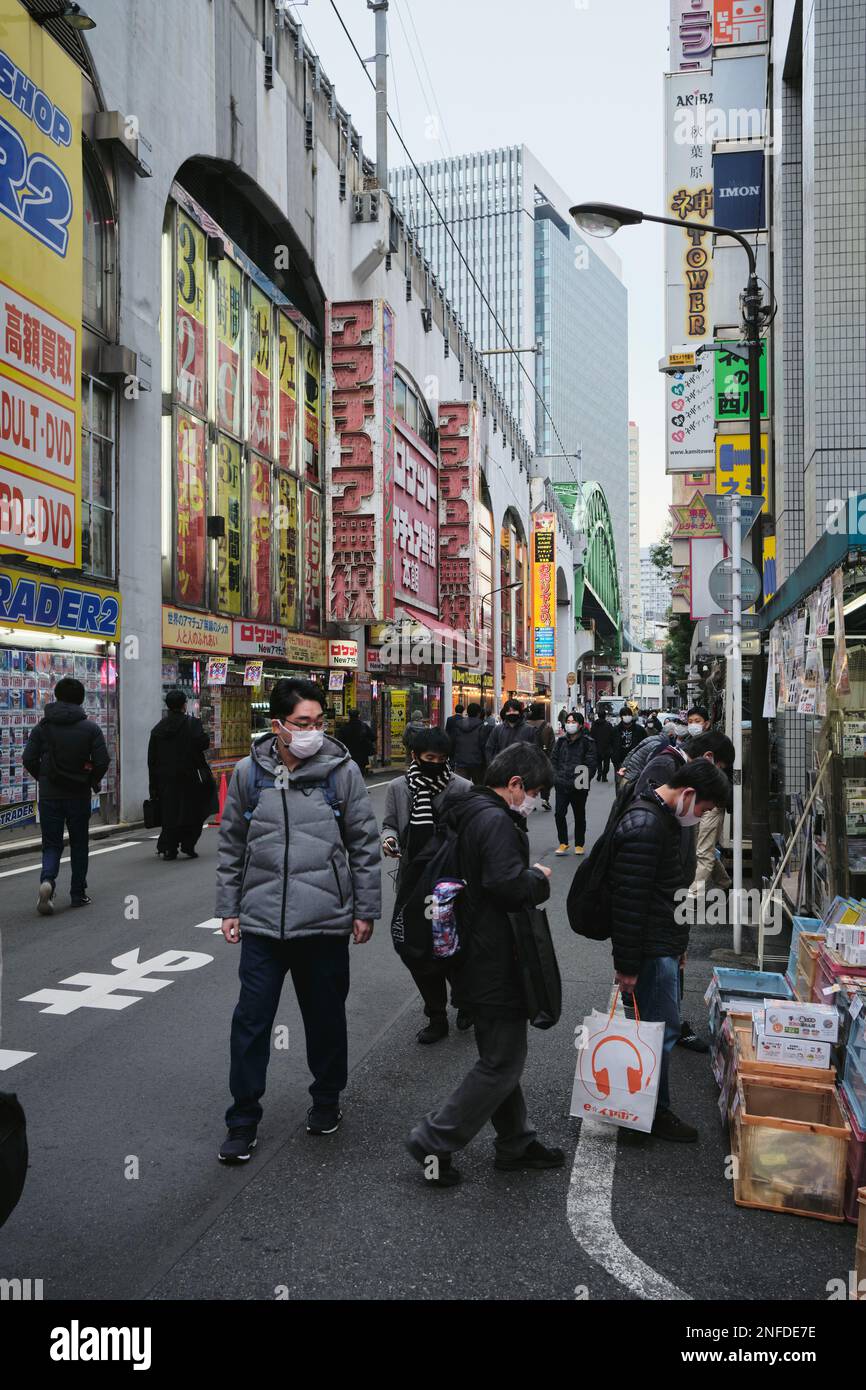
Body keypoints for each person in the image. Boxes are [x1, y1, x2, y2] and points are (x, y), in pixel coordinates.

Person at [215, 678, 381, 1162]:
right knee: (250, 1023)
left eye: (318, 722)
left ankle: (326, 1100)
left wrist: (364, 910)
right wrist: (229, 907)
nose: (312, 732)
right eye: (302, 724)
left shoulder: (340, 771)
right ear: (278, 726)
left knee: (325, 1019)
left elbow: (364, 845)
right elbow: (230, 845)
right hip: (263, 926)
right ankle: (242, 1119)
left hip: (325, 923)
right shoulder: (251, 773)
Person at [406, 744, 563, 1187]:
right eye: (532, 792)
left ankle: (516, 1141)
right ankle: (433, 1139)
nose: (533, 801)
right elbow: (505, 886)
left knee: (500, 1056)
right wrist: (536, 878)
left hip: (472, 950)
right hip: (492, 954)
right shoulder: (495, 819)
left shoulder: (470, 809)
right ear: (514, 785)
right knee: (501, 1061)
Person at [609, 759, 731, 1142]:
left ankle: (643, 1113)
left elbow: (666, 894)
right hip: (649, 950)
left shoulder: (662, 819)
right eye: (704, 809)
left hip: (661, 944)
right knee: (656, 1033)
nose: (702, 816)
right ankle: (644, 1115)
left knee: (656, 1031)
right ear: (689, 794)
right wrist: (627, 965)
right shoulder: (647, 825)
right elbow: (629, 902)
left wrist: (678, 946)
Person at [637, 730, 735, 1055]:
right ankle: (665, 1032)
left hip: (670, 902)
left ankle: (669, 1025)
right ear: (708, 761)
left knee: (665, 978)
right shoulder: (664, 771)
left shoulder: (676, 775)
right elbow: (642, 859)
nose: (705, 812)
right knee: (655, 988)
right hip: (660, 906)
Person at [381, 729, 473, 1041]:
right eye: (429, 759)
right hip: (412, 879)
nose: (435, 764)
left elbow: (471, 832)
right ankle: (436, 1015)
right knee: (415, 948)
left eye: (441, 759)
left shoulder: (461, 787)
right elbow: (389, 823)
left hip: (451, 882)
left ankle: (464, 1000)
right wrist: (389, 839)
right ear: (415, 756)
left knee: (454, 946)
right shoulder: (398, 788)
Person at [23, 677, 110, 915]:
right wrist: (91, 780)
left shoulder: (42, 727)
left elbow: (28, 759)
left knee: (51, 844)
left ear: (57, 696)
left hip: (50, 795)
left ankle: (48, 883)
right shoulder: (90, 728)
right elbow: (103, 761)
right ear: (81, 699)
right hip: (78, 794)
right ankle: (78, 893)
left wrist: (44, 777)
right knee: (79, 843)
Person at [147, 689, 212, 860]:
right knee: (195, 811)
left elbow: (152, 760)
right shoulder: (192, 724)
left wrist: (153, 786)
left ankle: (170, 847)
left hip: (166, 779)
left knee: (170, 813)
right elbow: (203, 743)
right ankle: (188, 844)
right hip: (190, 776)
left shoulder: (158, 729)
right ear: (184, 705)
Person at [551, 713, 598, 855]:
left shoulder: (587, 742)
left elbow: (591, 764)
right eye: (568, 721)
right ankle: (563, 842)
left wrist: (582, 780)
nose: (570, 724)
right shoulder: (560, 742)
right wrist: (556, 777)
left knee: (579, 815)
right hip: (561, 783)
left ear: (580, 724)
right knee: (559, 814)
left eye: (573, 721)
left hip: (579, 785)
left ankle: (579, 844)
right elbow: (553, 760)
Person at [449, 702, 489, 784]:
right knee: (478, 788)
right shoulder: (482, 727)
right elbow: (484, 746)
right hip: (477, 763)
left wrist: (452, 760)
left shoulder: (458, 725)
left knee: (461, 788)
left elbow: (453, 742)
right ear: (479, 713)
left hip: (460, 761)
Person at [524, 701, 555, 809]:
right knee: (545, 779)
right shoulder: (547, 726)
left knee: (530, 780)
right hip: (543, 756)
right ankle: (545, 799)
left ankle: (530, 802)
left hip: (528, 757)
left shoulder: (525, 725)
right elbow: (552, 745)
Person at [610, 707, 647, 789]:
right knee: (619, 783)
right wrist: (613, 755)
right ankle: (620, 801)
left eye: (628, 714)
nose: (627, 716)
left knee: (634, 783)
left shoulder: (639, 730)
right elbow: (610, 744)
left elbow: (645, 743)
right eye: (624, 715)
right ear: (621, 717)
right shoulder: (615, 730)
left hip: (635, 761)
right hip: (619, 761)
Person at [341, 708, 376, 774]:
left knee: (349, 772)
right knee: (361, 772)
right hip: (362, 754)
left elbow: (340, 741)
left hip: (349, 755)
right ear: (358, 715)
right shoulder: (363, 726)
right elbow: (373, 737)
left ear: (349, 716)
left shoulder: (344, 727)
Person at [590, 707, 613, 782]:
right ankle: (604, 775)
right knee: (606, 763)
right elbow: (612, 735)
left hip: (596, 746)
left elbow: (591, 735)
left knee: (598, 762)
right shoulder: (608, 725)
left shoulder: (594, 725)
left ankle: (599, 772)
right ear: (605, 716)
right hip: (607, 747)